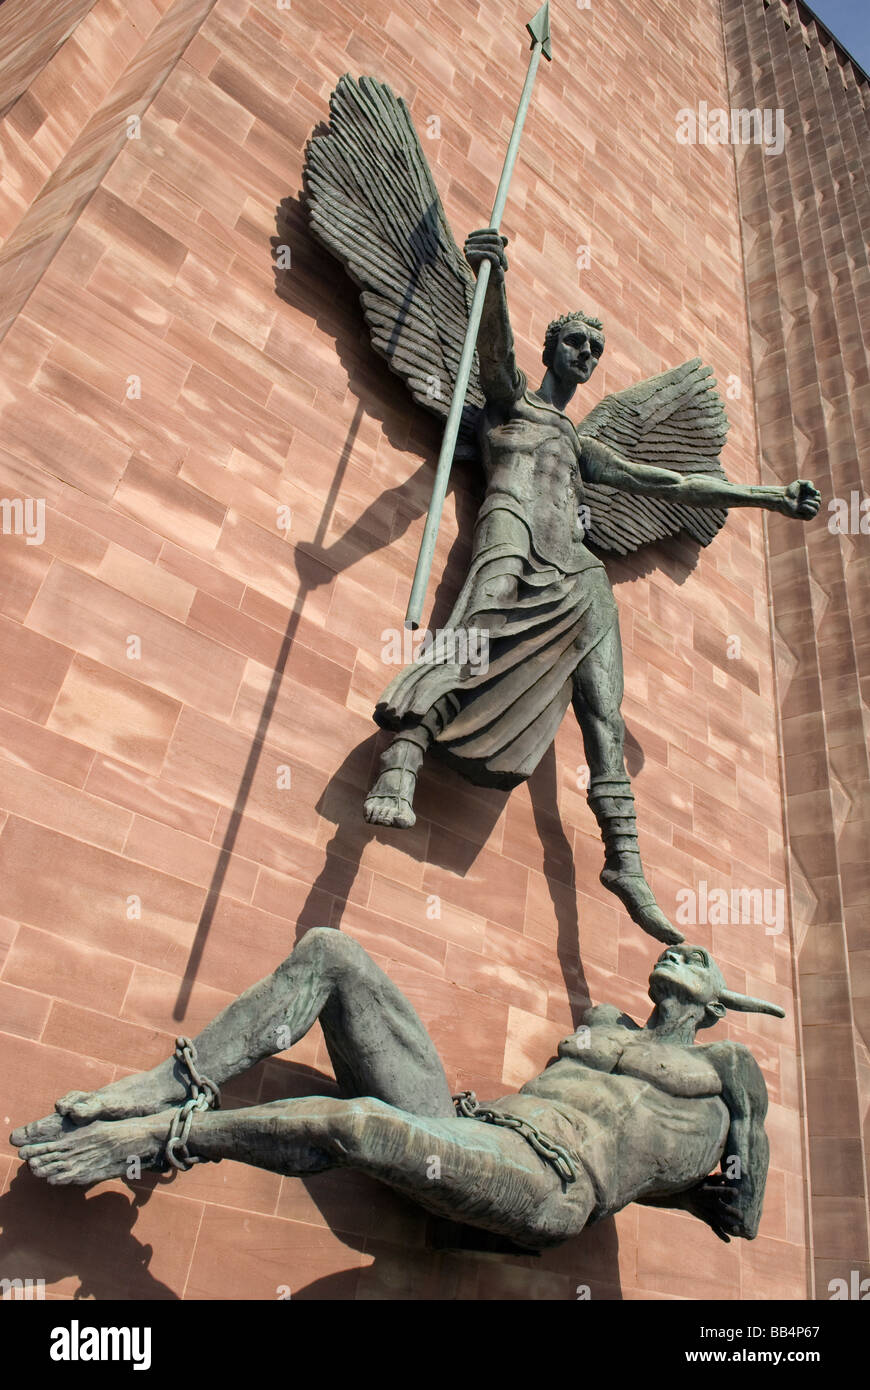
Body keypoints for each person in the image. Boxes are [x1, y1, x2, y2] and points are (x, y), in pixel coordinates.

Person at [364, 228, 821, 945]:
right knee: (475, 630)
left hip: (578, 572)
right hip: (511, 531)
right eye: (577, 342)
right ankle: (402, 757)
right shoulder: (509, 405)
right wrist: (498, 274)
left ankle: (625, 860)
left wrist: (770, 497)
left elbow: (669, 482)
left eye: (595, 351)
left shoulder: (580, 443)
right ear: (551, 349)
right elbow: (491, 352)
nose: (587, 357)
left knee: (605, 712)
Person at [12, 930, 782, 1250]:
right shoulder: (604, 1020)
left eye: (703, 958)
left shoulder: (729, 1069)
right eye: (680, 946)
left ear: (717, 1007)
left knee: (360, 1123)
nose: (687, 947)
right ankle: (168, 1085)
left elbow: (741, 1210)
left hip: (556, 1182)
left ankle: (158, 1141)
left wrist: (684, 1192)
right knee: (332, 952)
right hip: (472, 1126)